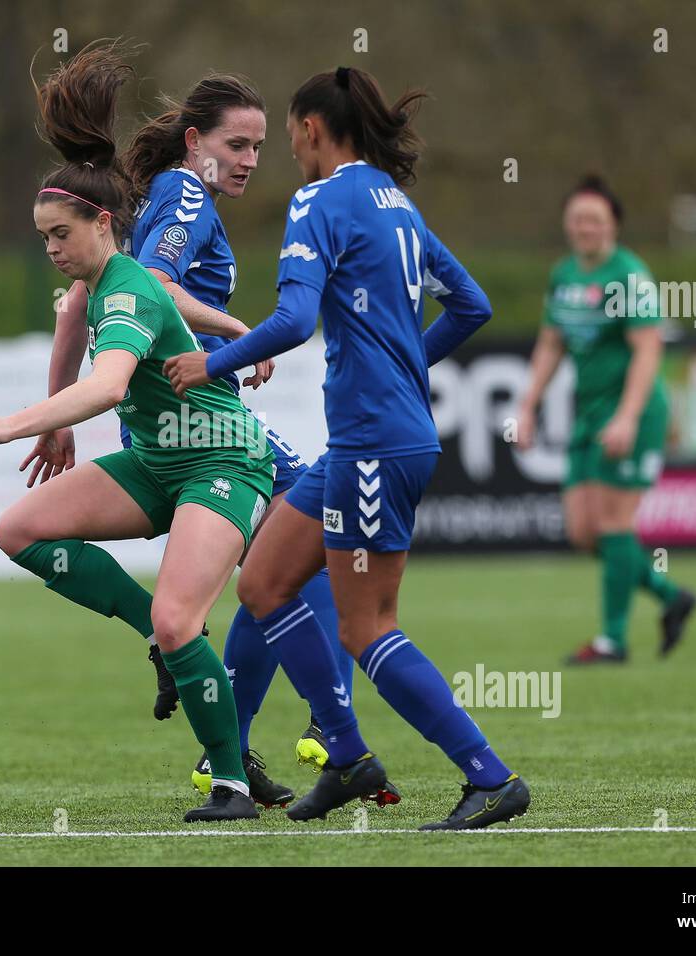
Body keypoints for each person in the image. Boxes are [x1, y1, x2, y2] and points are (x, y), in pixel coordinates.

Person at [165, 65, 529, 830]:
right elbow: (471, 304)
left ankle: (489, 776)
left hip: (373, 446)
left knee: (367, 627)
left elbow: (295, 321)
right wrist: (402, 368)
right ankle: (347, 755)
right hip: (366, 440)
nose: (286, 151)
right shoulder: (398, 205)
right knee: (262, 582)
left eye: (290, 135)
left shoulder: (320, 200)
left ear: (314, 130)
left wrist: (212, 360)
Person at [23, 69, 393, 808]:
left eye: (260, 146)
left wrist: (61, 413)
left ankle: (240, 744)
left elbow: (75, 311)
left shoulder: (159, 195)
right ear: (195, 142)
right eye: (237, 144)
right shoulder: (185, 194)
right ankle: (323, 729)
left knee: (278, 566)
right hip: (200, 418)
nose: (252, 159)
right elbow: (156, 287)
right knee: (299, 546)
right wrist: (242, 335)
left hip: (185, 415)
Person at [0, 42, 272, 821]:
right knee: (19, 529)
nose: (51, 250)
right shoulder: (107, 280)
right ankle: (159, 647)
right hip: (157, 461)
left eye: (60, 235)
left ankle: (230, 782)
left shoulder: (120, 293)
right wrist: (232, 323)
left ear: (100, 223)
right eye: (43, 239)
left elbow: (110, 384)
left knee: (181, 612)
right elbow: (159, 302)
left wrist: (14, 423)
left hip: (220, 462)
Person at [516, 174, 696, 664]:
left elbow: (647, 350)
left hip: (632, 413)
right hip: (588, 414)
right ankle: (668, 594)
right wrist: (527, 404)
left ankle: (612, 640)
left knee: (615, 523)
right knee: (583, 532)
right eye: (577, 219)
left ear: (613, 223)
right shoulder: (564, 275)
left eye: (594, 219)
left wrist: (627, 418)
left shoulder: (628, 276)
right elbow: (552, 342)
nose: (584, 227)